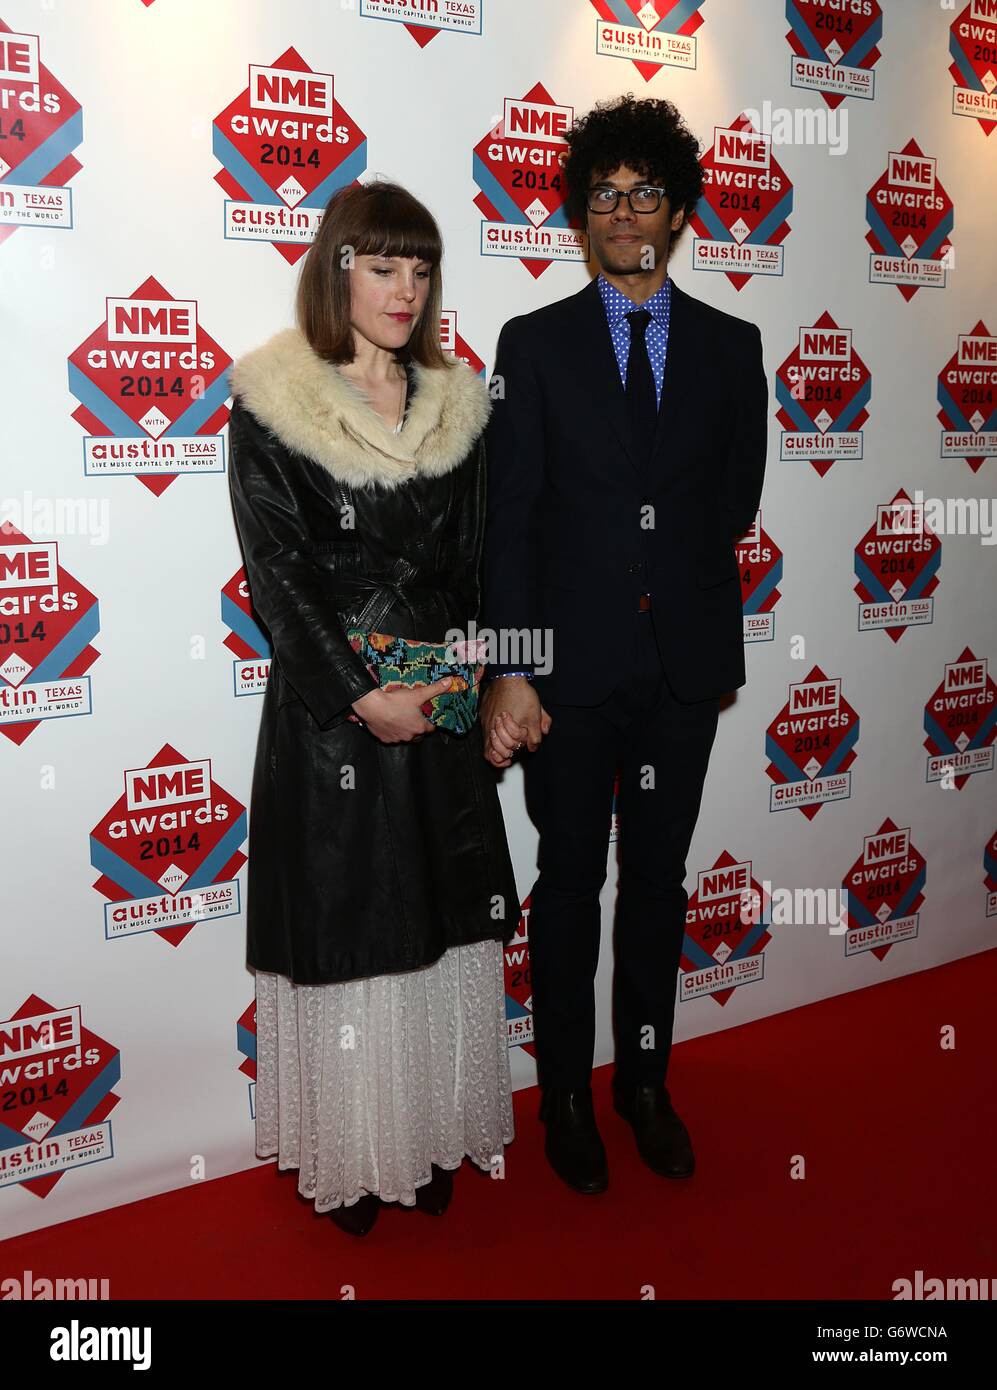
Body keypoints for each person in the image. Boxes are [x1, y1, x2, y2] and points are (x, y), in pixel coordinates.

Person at [480, 95, 768, 1194]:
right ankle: (560, 1096)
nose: (625, 209)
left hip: (681, 669)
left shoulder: (731, 346)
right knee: (564, 884)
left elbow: (728, 505)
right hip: (563, 676)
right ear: (579, 213)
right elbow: (509, 520)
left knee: (657, 879)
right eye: (604, 192)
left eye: (646, 190)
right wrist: (509, 662)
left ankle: (642, 1083)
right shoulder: (533, 345)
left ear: (680, 210)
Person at [227, 180, 519, 1237]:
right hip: (335, 727)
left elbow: (485, 568)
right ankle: (355, 1157)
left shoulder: (460, 407)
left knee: (438, 928)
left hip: (438, 714)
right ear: (336, 269)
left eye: (420, 267)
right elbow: (279, 574)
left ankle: (429, 1131)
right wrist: (359, 694)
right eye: (381, 264)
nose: (404, 288)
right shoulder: (274, 403)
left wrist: (481, 679)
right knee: (355, 939)